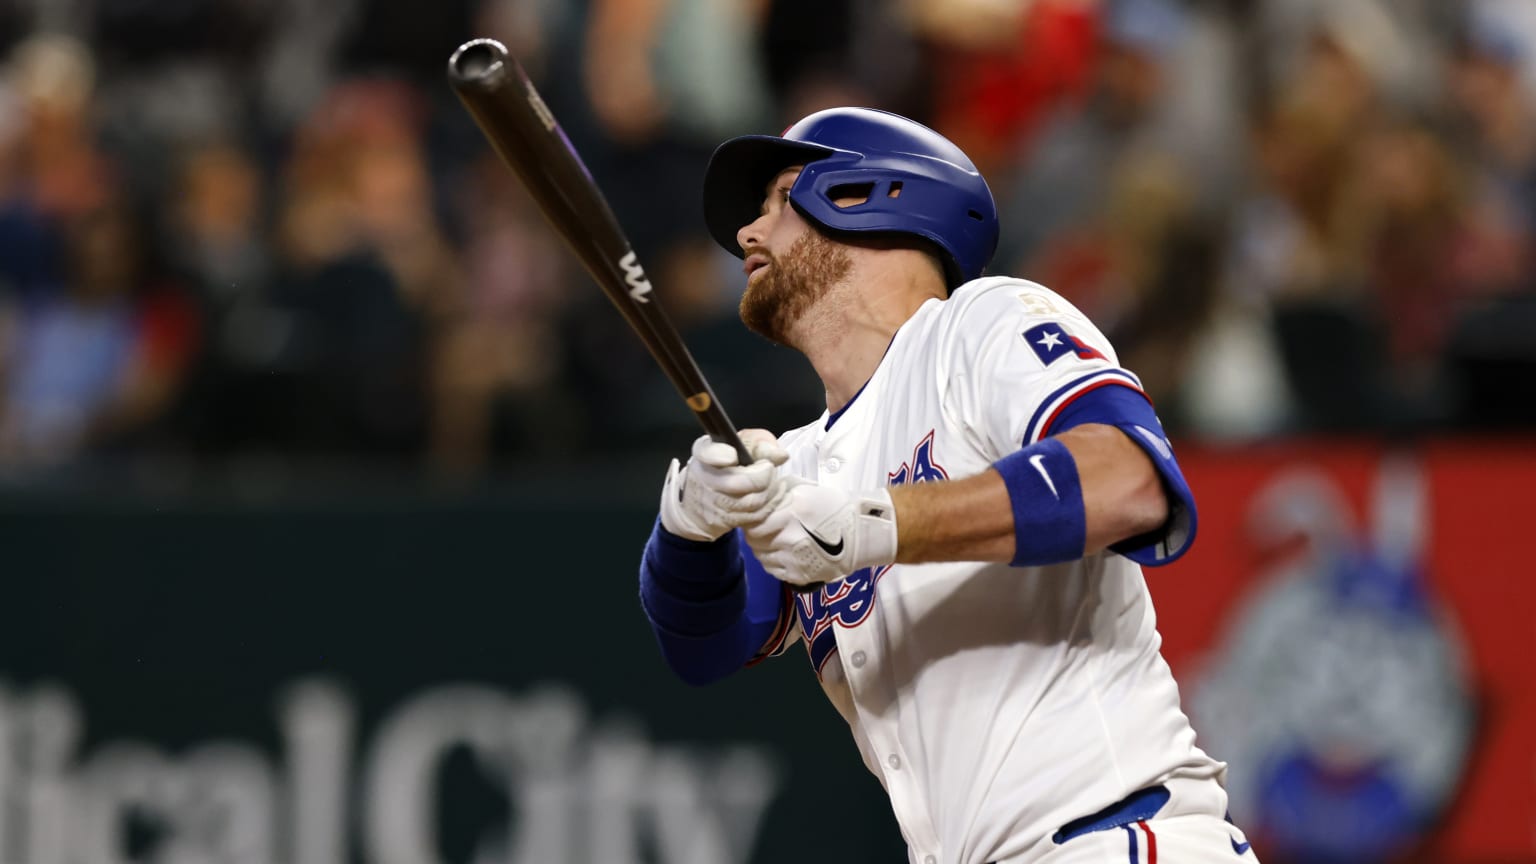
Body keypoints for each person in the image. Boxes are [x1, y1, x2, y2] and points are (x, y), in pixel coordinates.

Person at [636, 107, 1258, 864]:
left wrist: (880, 523)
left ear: (863, 193)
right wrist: (688, 529)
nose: (747, 234)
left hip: (1114, 836)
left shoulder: (980, 326)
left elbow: (1131, 479)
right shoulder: (800, 464)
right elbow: (706, 646)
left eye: (779, 199)